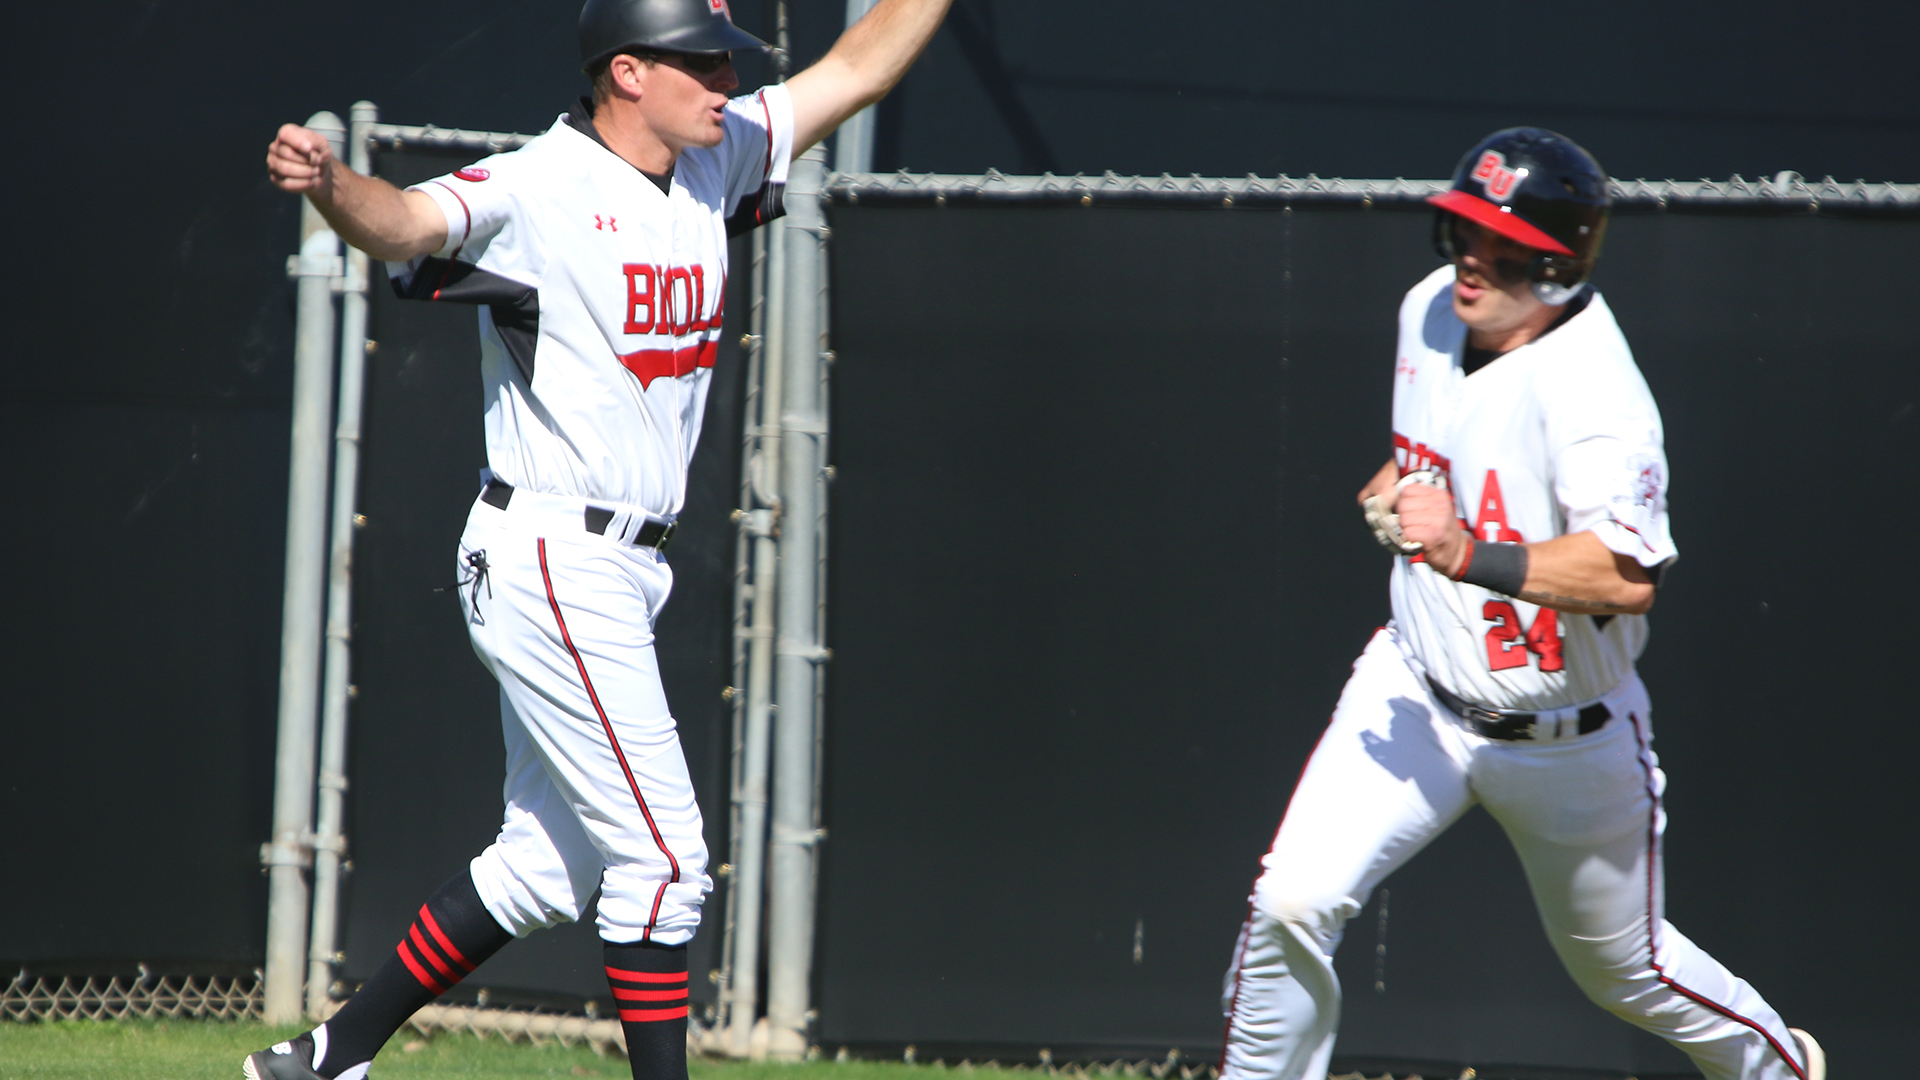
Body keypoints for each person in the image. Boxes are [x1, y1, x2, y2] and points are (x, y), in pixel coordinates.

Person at [246, 1, 950, 1077]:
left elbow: (859, 68)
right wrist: (334, 185)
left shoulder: (714, 162)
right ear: (628, 72)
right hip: (549, 552)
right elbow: (404, 224)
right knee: (666, 864)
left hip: (621, 566)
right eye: (702, 63)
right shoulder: (536, 186)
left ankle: (327, 1060)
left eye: (729, 64)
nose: (726, 81)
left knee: (549, 865)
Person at [1217, 128, 1824, 1080]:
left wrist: (1461, 547)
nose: (1470, 258)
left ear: (1556, 264)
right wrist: (1400, 483)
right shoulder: (1428, 310)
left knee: (1628, 971)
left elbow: (1626, 577)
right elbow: (1443, 441)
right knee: (1291, 900)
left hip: (1563, 734)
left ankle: (1777, 1066)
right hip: (1415, 687)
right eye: (1462, 231)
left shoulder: (1597, 392)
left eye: (1498, 245)